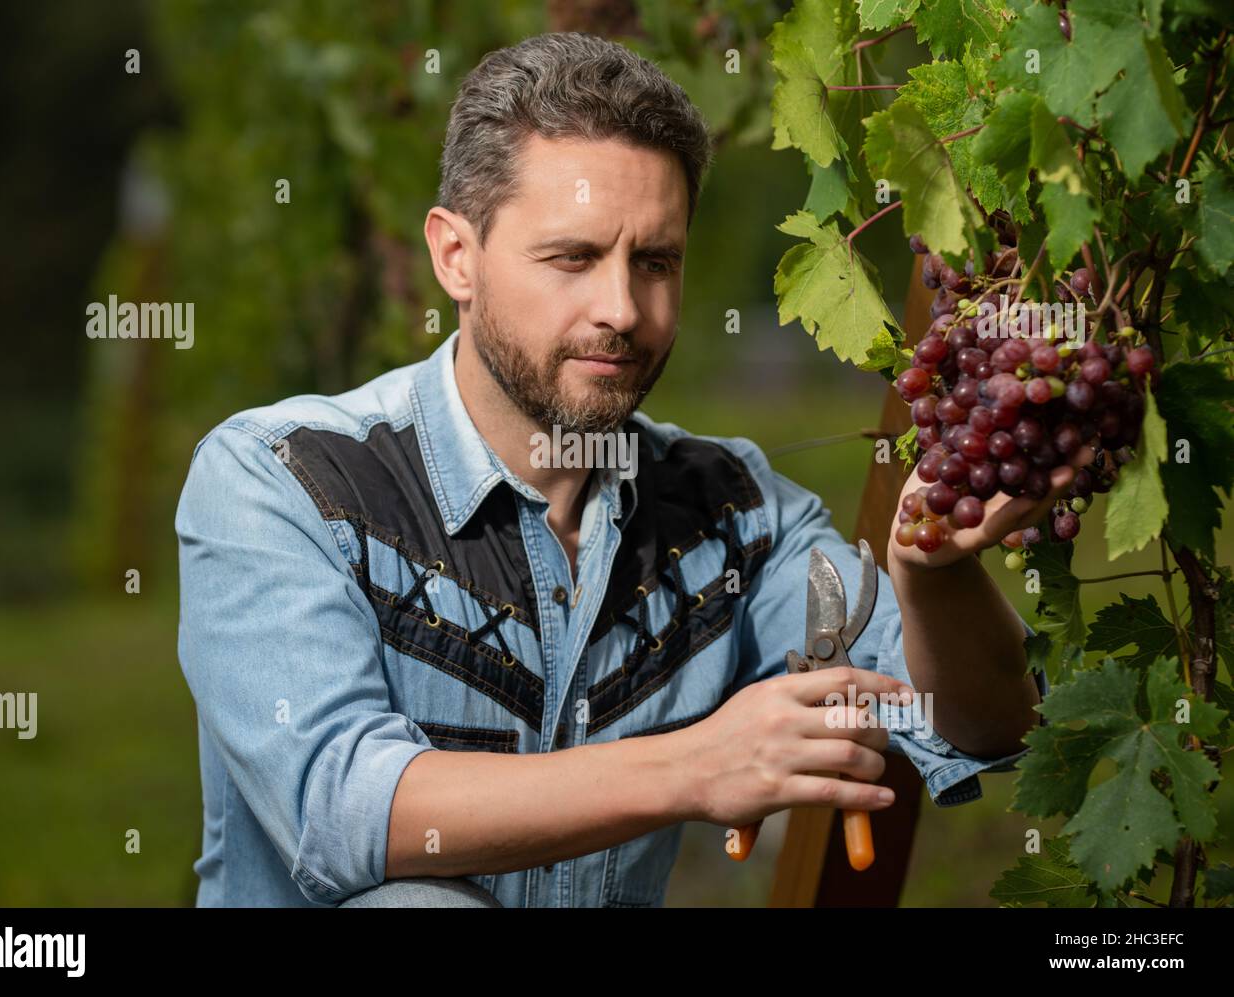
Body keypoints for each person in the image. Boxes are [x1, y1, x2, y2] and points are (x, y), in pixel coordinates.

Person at [175, 31, 1085, 908]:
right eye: (572, 257)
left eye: (655, 262)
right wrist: (695, 765)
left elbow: (982, 727)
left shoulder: (734, 514)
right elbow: (337, 807)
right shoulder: (284, 480)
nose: (621, 308)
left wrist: (934, 573)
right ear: (456, 254)